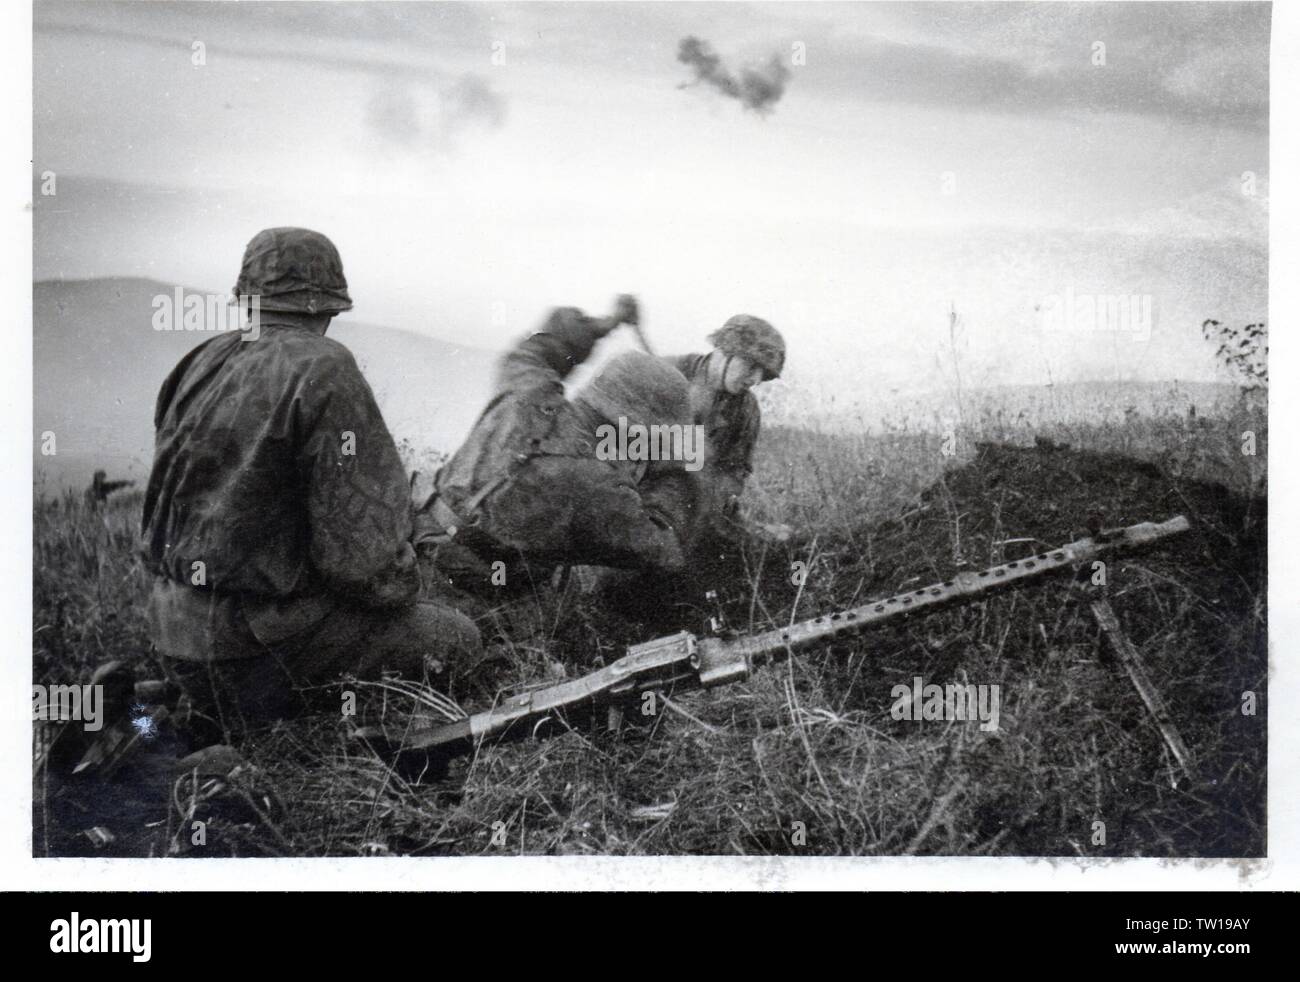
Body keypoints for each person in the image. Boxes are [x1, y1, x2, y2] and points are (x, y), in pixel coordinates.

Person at [140, 227, 480, 738]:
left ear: (248, 297)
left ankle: (170, 699)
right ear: (329, 304)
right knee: (457, 637)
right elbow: (364, 566)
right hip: (249, 645)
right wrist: (413, 574)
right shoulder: (325, 367)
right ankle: (252, 707)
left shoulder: (201, 359)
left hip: (170, 628)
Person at [417, 295, 698, 592]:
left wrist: (605, 324)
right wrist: (674, 468)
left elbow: (539, 348)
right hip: (468, 584)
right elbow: (666, 551)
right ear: (636, 433)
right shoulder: (600, 487)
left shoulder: (530, 389)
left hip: (415, 537)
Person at [667, 314, 790, 546]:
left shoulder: (745, 408)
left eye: (762, 375)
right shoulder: (670, 373)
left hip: (698, 511)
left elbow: (734, 473)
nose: (754, 380)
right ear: (725, 351)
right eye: (751, 366)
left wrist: (707, 491)